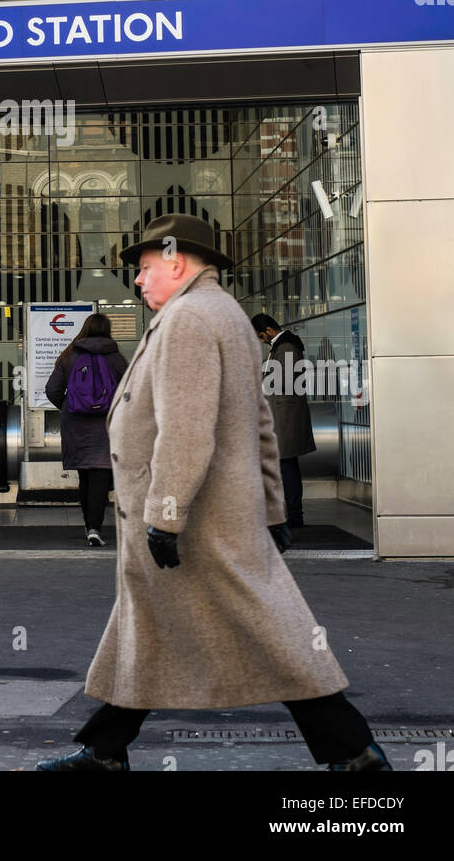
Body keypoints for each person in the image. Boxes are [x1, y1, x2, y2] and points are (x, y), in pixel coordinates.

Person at [36, 214, 390, 773]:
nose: (139, 280)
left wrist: (165, 515)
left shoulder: (189, 319)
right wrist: (272, 508)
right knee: (156, 626)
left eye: (146, 268)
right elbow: (262, 426)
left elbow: (186, 426)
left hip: (198, 519)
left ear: (176, 263)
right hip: (217, 511)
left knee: (270, 631)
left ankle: (352, 750)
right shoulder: (225, 315)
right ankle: (105, 750)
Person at [45, 314, 128, 547]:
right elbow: (131, 390)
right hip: (105, 425)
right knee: (101, 474)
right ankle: (95, 528)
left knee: (85, 475)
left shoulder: (70, 355)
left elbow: (52, 389)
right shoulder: (115, 358)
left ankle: (88, 525)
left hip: (76, 423)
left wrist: (68, 406)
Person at [251, 313, 316, 528]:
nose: (262, 340)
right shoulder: (280, 347)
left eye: (261, 336)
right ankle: (289, 513)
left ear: (269, 330)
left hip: (285, 417)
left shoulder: (286, 347)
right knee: (285, 466)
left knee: (287, 466)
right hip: (281, 415)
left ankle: (295, 515)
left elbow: (282, 381)